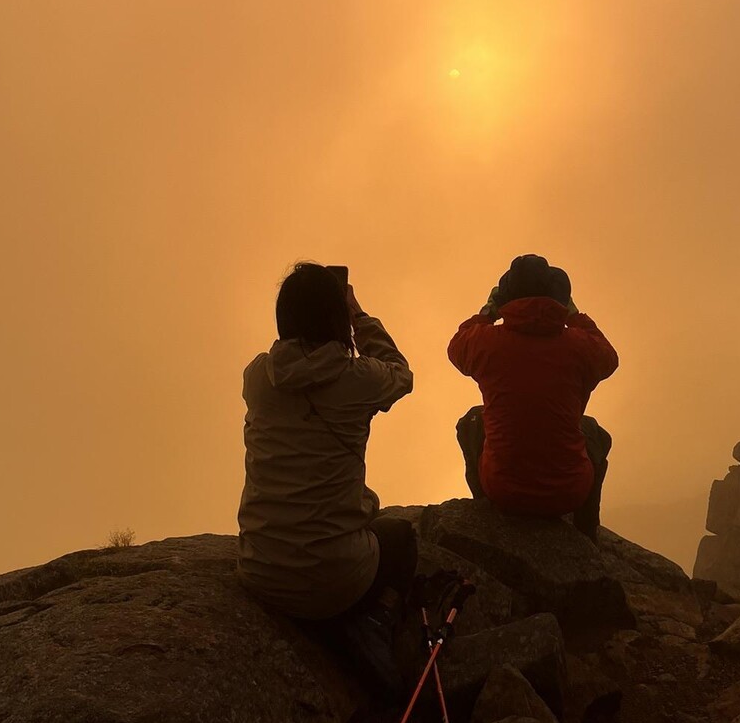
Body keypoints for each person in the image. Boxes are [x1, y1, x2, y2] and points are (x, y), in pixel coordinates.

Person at [237, 263, 416, 694]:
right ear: (337, 318)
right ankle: (371, 623)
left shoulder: (257, 377)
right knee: (401, 539)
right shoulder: (359, 379)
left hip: (260, 572)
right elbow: (400, 372)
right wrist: (359, 315)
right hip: (336, 582)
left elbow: (292, 367)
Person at [448, 253, 618, 541]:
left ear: (506, 298)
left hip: (503, 490)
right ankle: (586, 531)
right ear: (559, 298)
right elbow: (609, 357)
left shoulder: (486, 343)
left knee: (471, 422)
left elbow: (456, 345)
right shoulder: (580, 346)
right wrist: (574, 315)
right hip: (569, 493)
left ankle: (485, 513)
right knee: (595, 433)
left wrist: (488, 311)